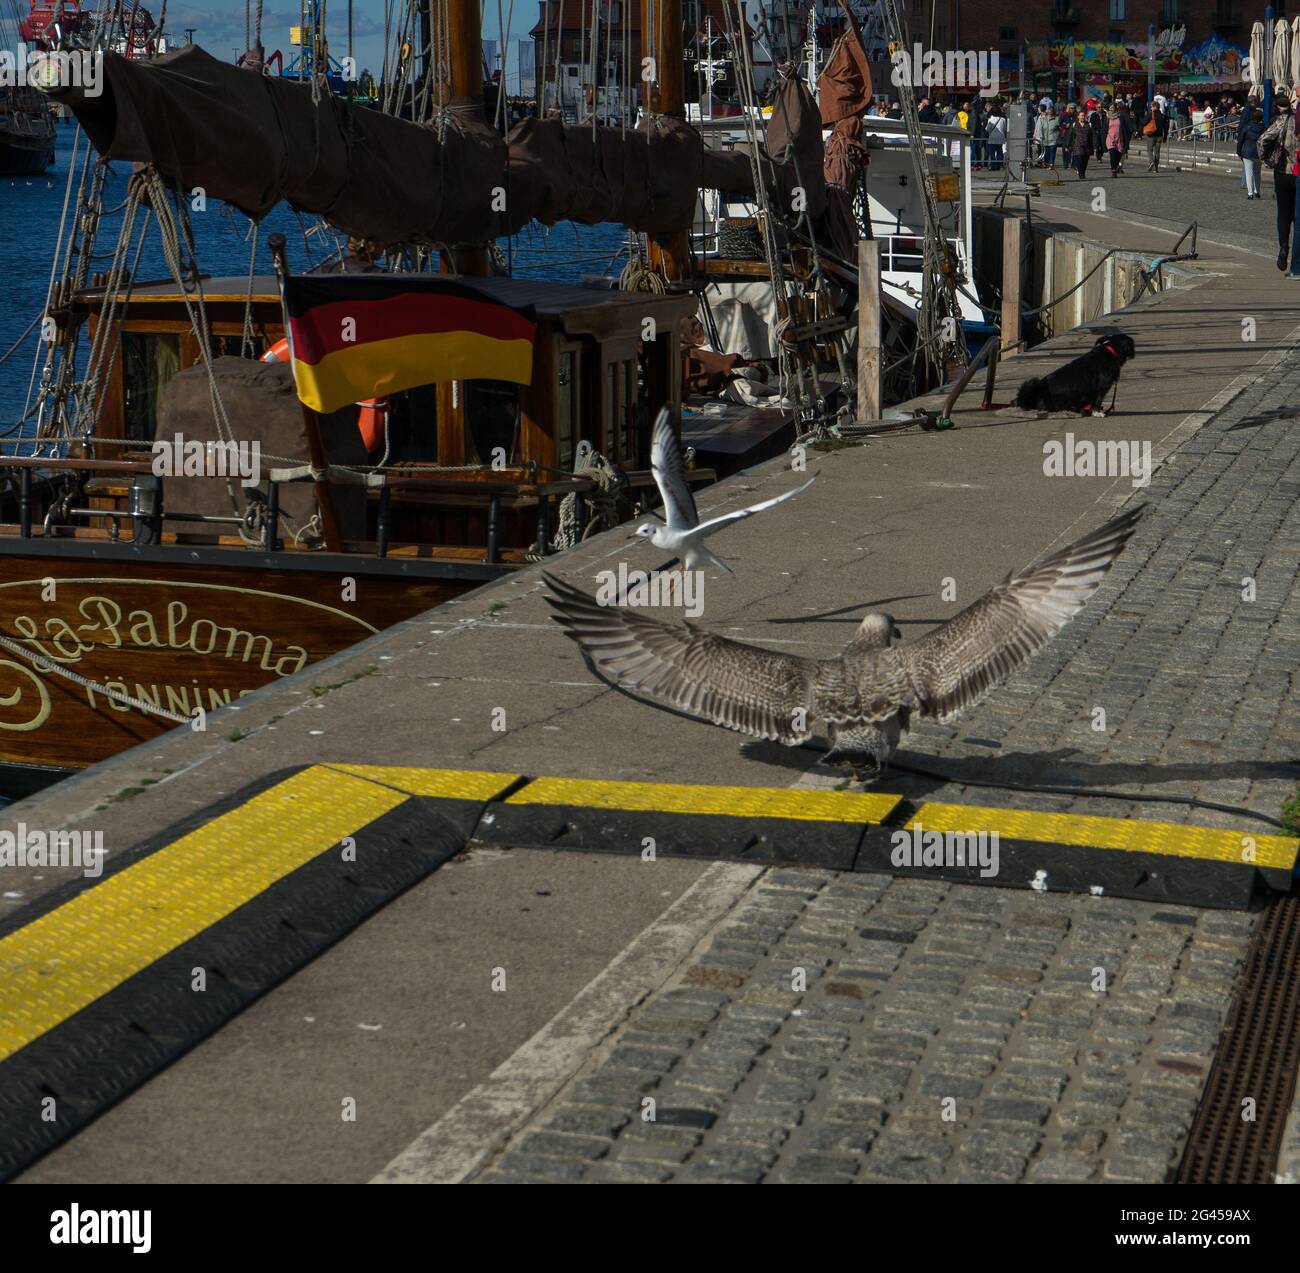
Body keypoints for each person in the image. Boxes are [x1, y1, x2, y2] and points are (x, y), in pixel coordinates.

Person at [1259, 93, 1300, 275]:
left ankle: (1284, 246)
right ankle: (1297, 255)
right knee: (1297, 216)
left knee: (1283, 213)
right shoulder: (1296, 122)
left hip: (1283, 171)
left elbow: (1262, 140)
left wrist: (1267, 159)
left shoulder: (1283, 121)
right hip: (1297, 171)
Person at [1237, 103, 1265, 199]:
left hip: (1247, 151)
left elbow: (1240, 140)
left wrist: (1239, 151)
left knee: (1249, 173)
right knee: (1257, 172)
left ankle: (1250, 193)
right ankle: (1257, 191)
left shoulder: (1247, 127)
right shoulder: (1263, 128)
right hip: (1259, 152)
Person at [1143, 98, 1168, 172]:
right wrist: (1165, 137)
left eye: (1151, 106)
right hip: (1160, 135)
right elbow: (1166, 127)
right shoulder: (1163, 116)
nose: (1151, 108)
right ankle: (1156, 168)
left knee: (1149, 150)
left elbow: (1144, 122)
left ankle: (1151, 162)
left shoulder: (1150, 114)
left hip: (1151, 135)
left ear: (1154, 107)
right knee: (1157, 152)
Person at [985, 103, 1007, 170]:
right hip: (1000, 138)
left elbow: (987, 129)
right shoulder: (1003, 119)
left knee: (992, 153)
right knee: (999, 152)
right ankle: (999, 166)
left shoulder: (990, 119)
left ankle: (993, 166)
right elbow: (1004, 129)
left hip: (992, 138)